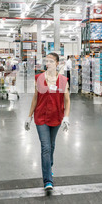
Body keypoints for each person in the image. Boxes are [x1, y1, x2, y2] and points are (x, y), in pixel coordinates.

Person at [24, 52, 71, 191]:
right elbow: (35, 98)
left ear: (57, 64)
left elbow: (67, 101)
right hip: (41, 117)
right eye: (46, 61)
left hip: (56, 117)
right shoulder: (39, 78)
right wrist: (29, 116)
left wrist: (66, 117)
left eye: (51, 61)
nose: (48, 63)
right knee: (45, 147)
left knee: (51, 146)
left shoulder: (63, 80)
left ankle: (48, 166)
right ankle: (48, 180)